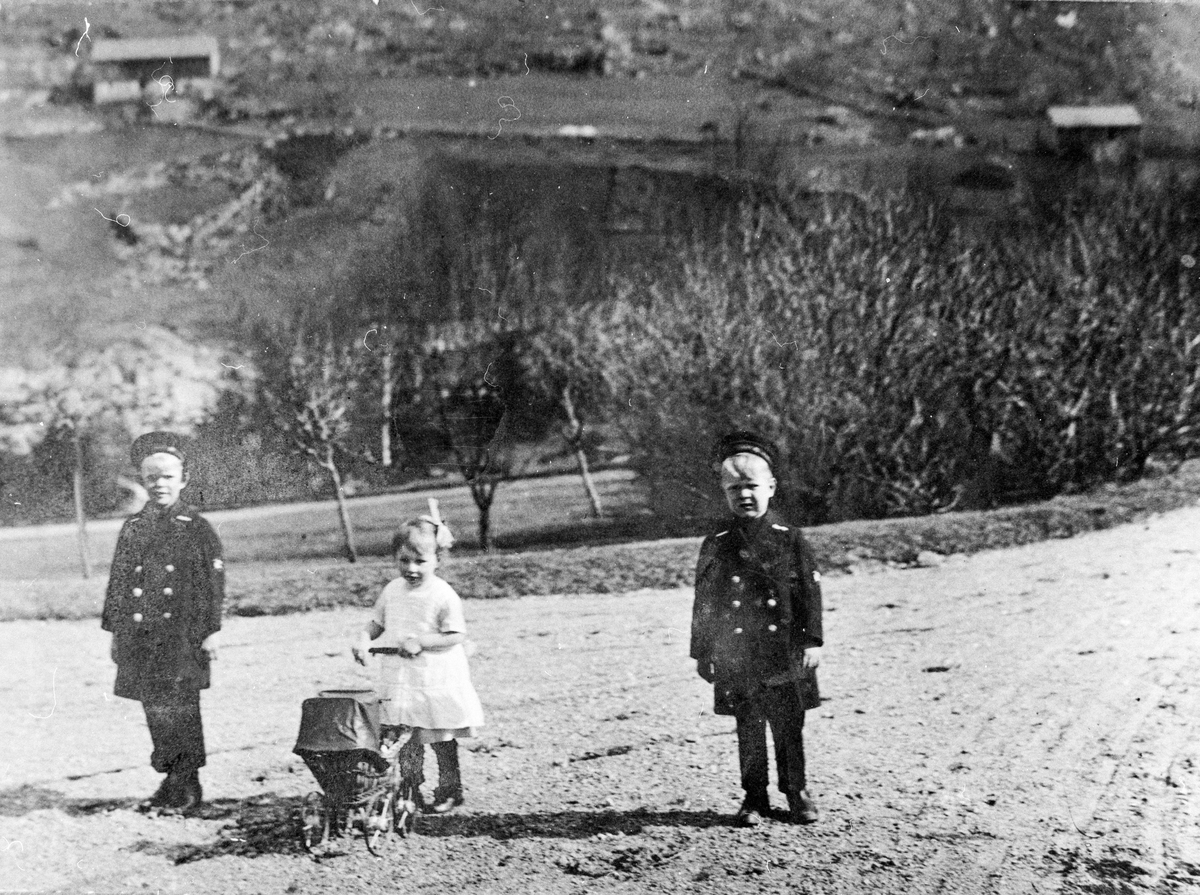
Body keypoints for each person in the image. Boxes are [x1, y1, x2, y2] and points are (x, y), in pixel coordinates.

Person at [690, 431, 824, 827]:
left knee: (788, 725)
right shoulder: (717, 543)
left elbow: (809, 594)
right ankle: (754, 796)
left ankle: (796, 792)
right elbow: (704, 602)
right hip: (737, 654)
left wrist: (813, 641)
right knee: (748, 726)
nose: (744, 495)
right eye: (734, 489)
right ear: (724, 493)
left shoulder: (790, 539)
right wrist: (702, 651)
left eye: (751, 486)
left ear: (771, 488)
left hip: (783, 650)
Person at [101, 431, 225, 813]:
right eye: (151, 477)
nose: (159, 484)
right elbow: (120, 582)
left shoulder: (196, 527)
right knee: (154, 706)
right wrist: (115, 631)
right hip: (142, 636)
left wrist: (211, 630)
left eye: (168, 476)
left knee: (182, 706)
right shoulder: (133, 527)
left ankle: (189, 782)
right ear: (142, 480)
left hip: (182, 636)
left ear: (184, 479)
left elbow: (212, 584)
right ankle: (171, 776)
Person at [353, 502, 484, 814]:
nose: (411, 568)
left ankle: (450, 788)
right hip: (401, 677)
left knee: (439, 735)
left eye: (420, 561)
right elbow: (377, 621)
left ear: (438, 560)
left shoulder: (442, 594)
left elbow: (456, 635)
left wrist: (422, 642)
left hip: (433, 675)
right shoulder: (392, 590)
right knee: (405, 736)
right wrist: (363, 638)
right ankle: (410, 788)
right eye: (404, 560)